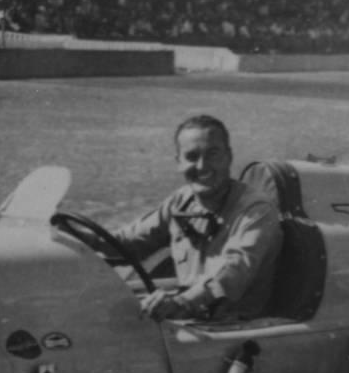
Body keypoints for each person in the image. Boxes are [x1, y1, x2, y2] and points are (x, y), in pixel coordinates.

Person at [114, 115, 283, 321]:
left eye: (212, 154)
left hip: (235, 330)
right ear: (178, 162)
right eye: (192, 156)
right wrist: (82, 237)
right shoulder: (181, 201)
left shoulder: (257, 209)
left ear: (228, 157)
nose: (202, 166)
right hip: (190, 320)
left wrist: (182, 303)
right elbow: (129, 241)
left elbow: (233, 271)